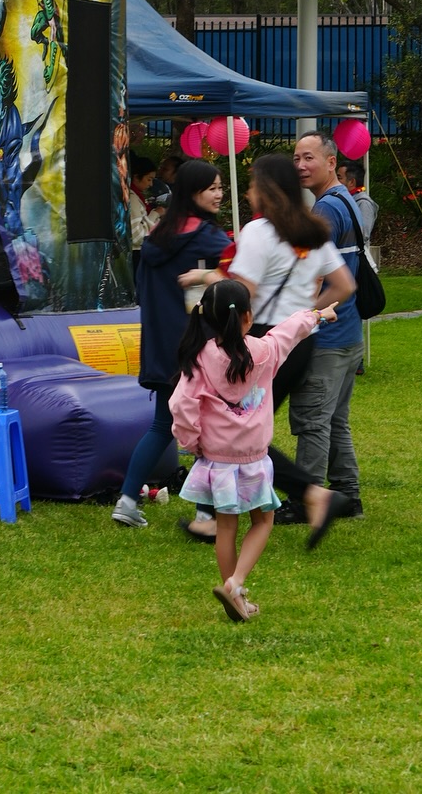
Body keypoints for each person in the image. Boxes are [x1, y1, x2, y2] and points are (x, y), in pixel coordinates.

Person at [170, 278, 336, 621]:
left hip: (217, 458)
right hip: (254, 458)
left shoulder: (199, 359)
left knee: (226, 527)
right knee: (263, 520)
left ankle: (234, 593)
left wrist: (192, 442)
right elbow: (290, 330)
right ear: (248, 316)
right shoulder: (264, 352)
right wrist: (319, 315)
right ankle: (236, 585)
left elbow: (181, 404)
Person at [229, 154, 357, 543]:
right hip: (298, 344)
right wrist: (305, 316)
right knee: (242, 431)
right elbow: (344, 287)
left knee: (237, 435)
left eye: (251, 184)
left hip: (262, 343)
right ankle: (221, 511)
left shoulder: (257, 233)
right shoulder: (312, 231)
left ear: (265, 189)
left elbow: (241, 296)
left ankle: (312, 494)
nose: (248, 191)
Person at [111, 158, 232, 530]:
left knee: (163, 424)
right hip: (198, 349)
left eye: (219, 187)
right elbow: (241, 271)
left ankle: (128, 500)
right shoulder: (207, 236)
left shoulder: (156, 235)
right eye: (212, 187)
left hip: (162, 348)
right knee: (209, 428)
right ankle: (204, 512)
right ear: (194, 193)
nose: (219, 194)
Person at [288, 130, 369, 519]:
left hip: (330, 334)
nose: (301, 166)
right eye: (296, 158)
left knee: (312, 420)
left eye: (309, 158)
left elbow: (315, 278)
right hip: (349, 333)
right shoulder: (346, 201)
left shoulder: (325, 210)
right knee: (335, 419)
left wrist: (301, 317)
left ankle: (308, 502)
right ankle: (348, 497)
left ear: (332, 162)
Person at [127, 153, 160, 276]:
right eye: (149, 179)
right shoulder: (133, 199)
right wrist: (155, 214)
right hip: (137, 255)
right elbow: (136, 237)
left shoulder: (136, 196)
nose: (150, 184)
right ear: (136, 178)